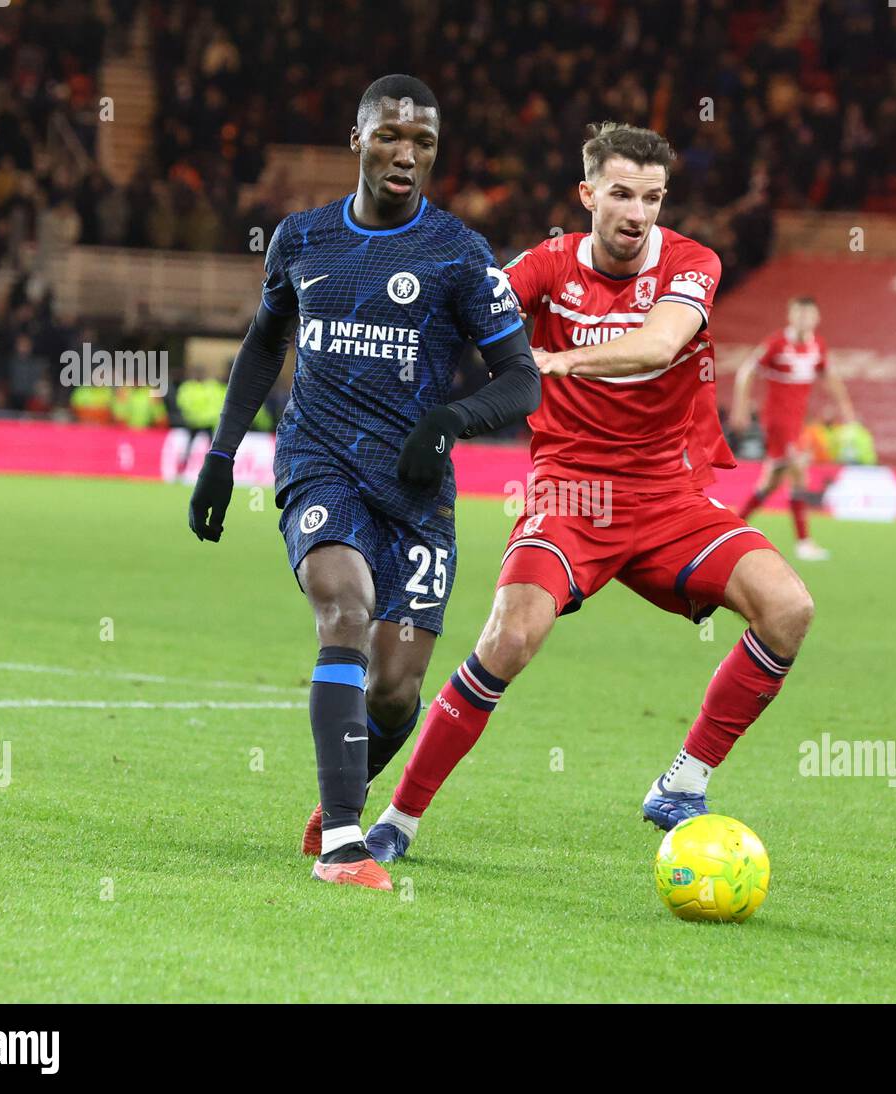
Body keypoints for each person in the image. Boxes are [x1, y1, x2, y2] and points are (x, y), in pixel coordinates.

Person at [334, 121, 816, 862]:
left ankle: (682, 783)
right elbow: (462, 313)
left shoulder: (693, 264)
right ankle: (398, 820)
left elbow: (659, 344)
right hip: (570, 495)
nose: (637, 213)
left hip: (666, 495)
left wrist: (552, 362)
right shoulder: (547, 265)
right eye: (621, 194)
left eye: (653, 197)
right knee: (510, 637)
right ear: (588, 194)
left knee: (788, 608)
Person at [187, 74, 540, 891]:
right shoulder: (302, 240)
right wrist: (218, 456)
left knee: (393, 690)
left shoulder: (458, 252)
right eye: (389, 136)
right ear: (357, 140)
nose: (405, 155)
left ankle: (349, 789)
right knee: (341, 610)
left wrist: (450, 420)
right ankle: (344, 841)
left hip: (417, 492)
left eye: (422, 143)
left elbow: (522, 380)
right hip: (319, 462)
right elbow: (259, 349)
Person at [730, 297, 857, 560]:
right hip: (777, 422)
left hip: (796, 423)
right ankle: (804, 542)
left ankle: (730, 527)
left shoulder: (817, 345)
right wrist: (740, 408)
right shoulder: (777, 343)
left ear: (816, 318)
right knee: (799, 471)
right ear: (790, 316)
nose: (803, 320)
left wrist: (845, 406)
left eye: (808, 315)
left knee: (771, 482)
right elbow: (746, 372)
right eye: (799, 315)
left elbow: (830, 375)